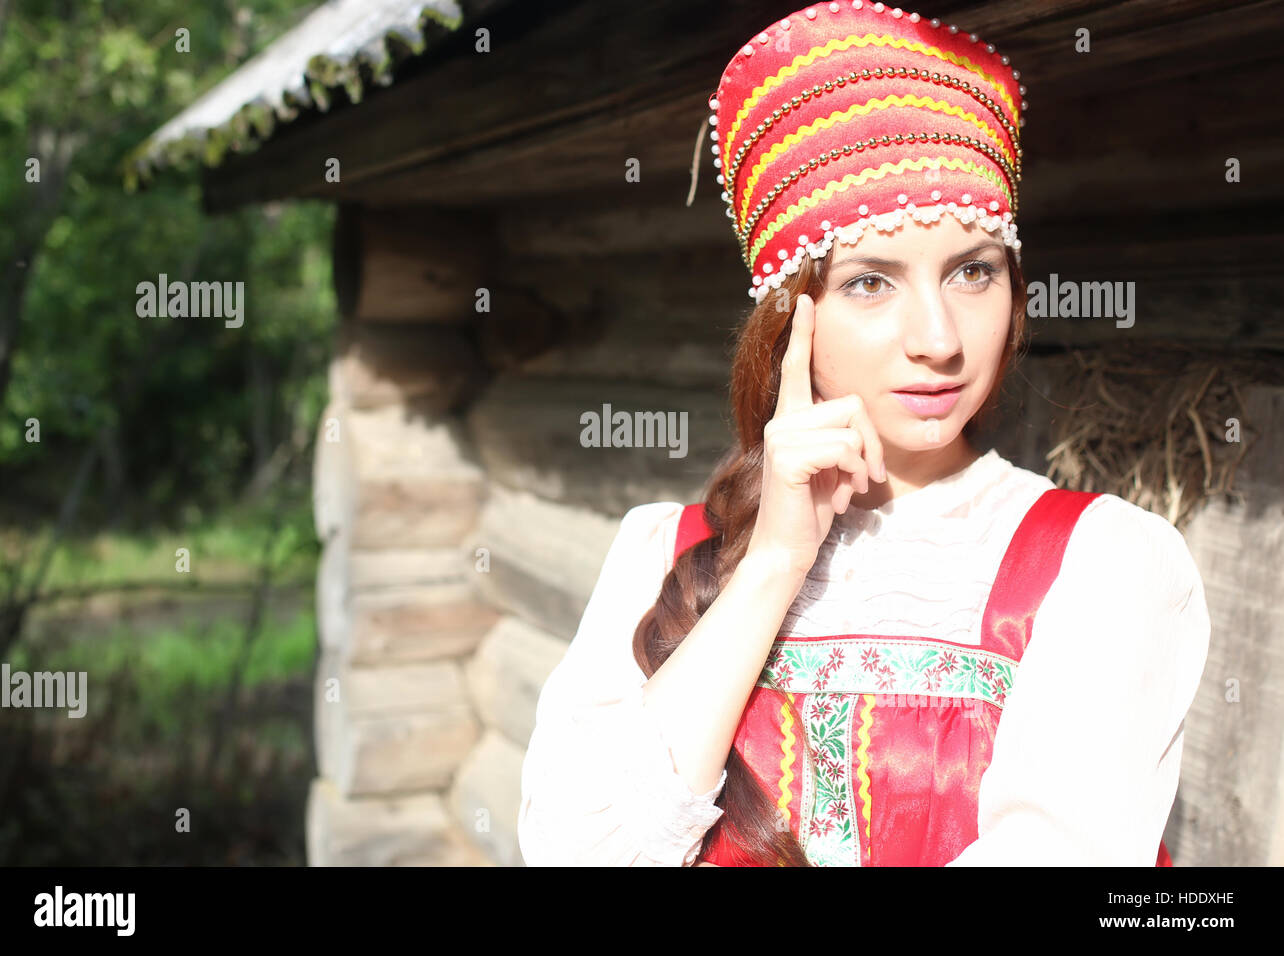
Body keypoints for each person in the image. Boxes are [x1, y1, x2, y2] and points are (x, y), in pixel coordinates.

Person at [517, 0, 1210, 866]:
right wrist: (773, 564)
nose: (940, 338)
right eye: (870, 284)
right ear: (790, 319)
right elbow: (581, 852)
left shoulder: (1099, 565)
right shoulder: (661, 552)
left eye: (973, 271)